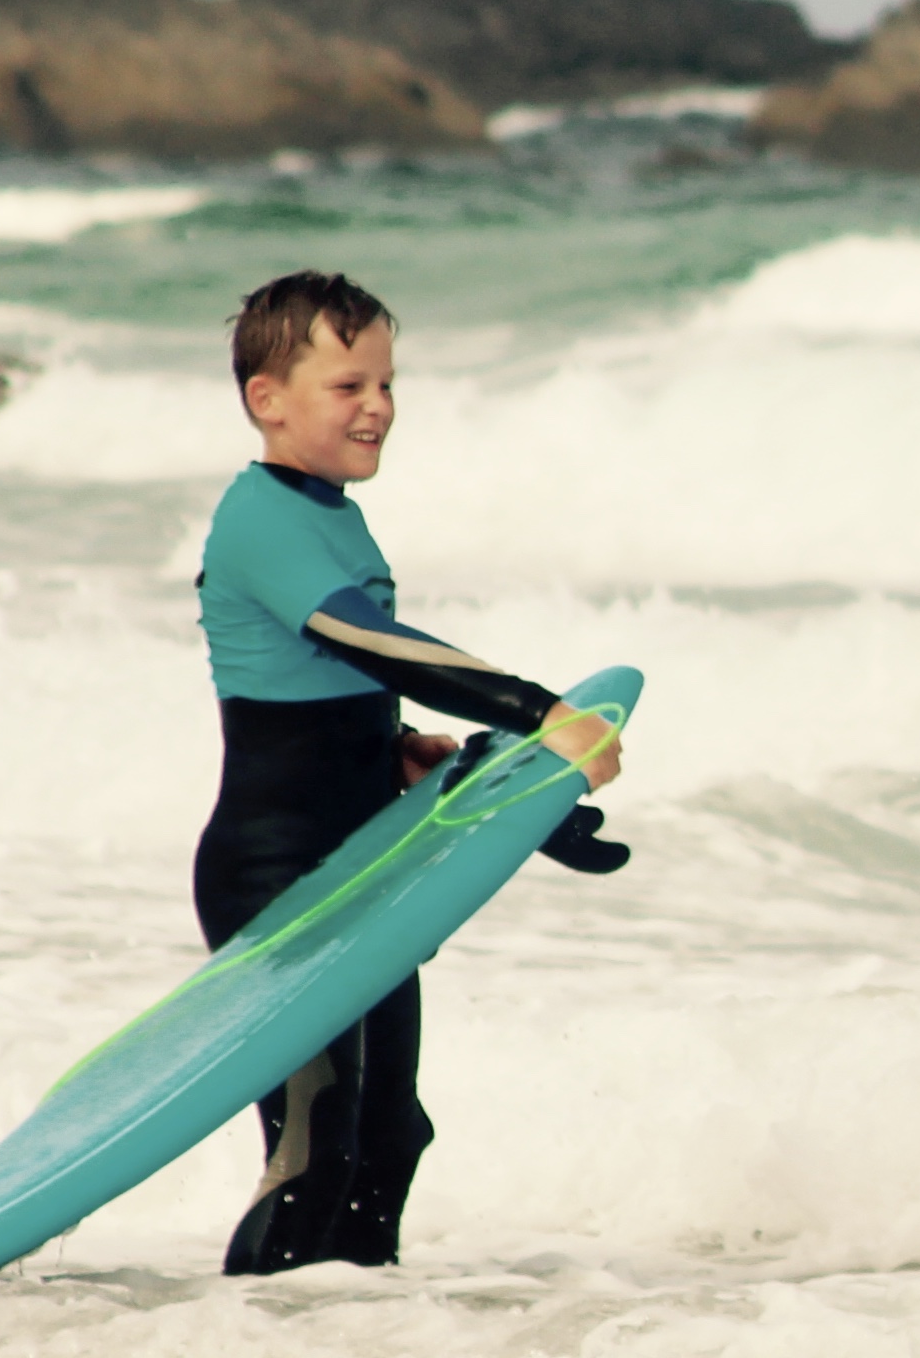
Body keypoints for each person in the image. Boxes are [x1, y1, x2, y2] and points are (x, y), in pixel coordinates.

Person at [194, 270, 624, 1274]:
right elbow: (369, 640)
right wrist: (540, 709)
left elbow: (318, 676)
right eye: (349, 387)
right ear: (269, 399)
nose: (379, 407)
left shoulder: (329, 511)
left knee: (389, 1140)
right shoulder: (259, 515)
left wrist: (392, 748)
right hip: (281, 884)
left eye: (387, 384)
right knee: (313, 1150)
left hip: (361, 870)